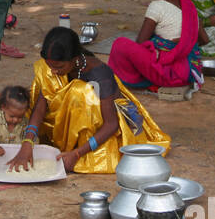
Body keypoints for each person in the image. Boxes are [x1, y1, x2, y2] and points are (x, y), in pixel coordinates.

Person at [9, 27, 171, 174]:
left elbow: (111, 124)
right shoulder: (53, 69)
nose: (53, 71)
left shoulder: (99, 74)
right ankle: (64, 144)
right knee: (41, 82)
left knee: (79, 92)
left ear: (74, 58)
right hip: (74, 121)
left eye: (59, 67)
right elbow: (40, 107)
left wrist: (78, 153)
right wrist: (27, 142)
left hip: (105, 126)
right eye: (51, 65)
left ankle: (75, 147)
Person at [108, 0, 203, 91]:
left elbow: (140, 43)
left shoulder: (157, 7)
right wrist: (180, 44)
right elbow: (203, 39)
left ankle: (136, 79)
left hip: (168, 74)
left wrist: (162, 46)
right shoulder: (187, 4)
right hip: (188, 70)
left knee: (120, 44)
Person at [0, 85, 31, 156]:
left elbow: (32, 139)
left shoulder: (25, 122)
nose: (16, 120)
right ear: (3, 107)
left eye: (20, 117)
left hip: (17, 153)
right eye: (12, 116)